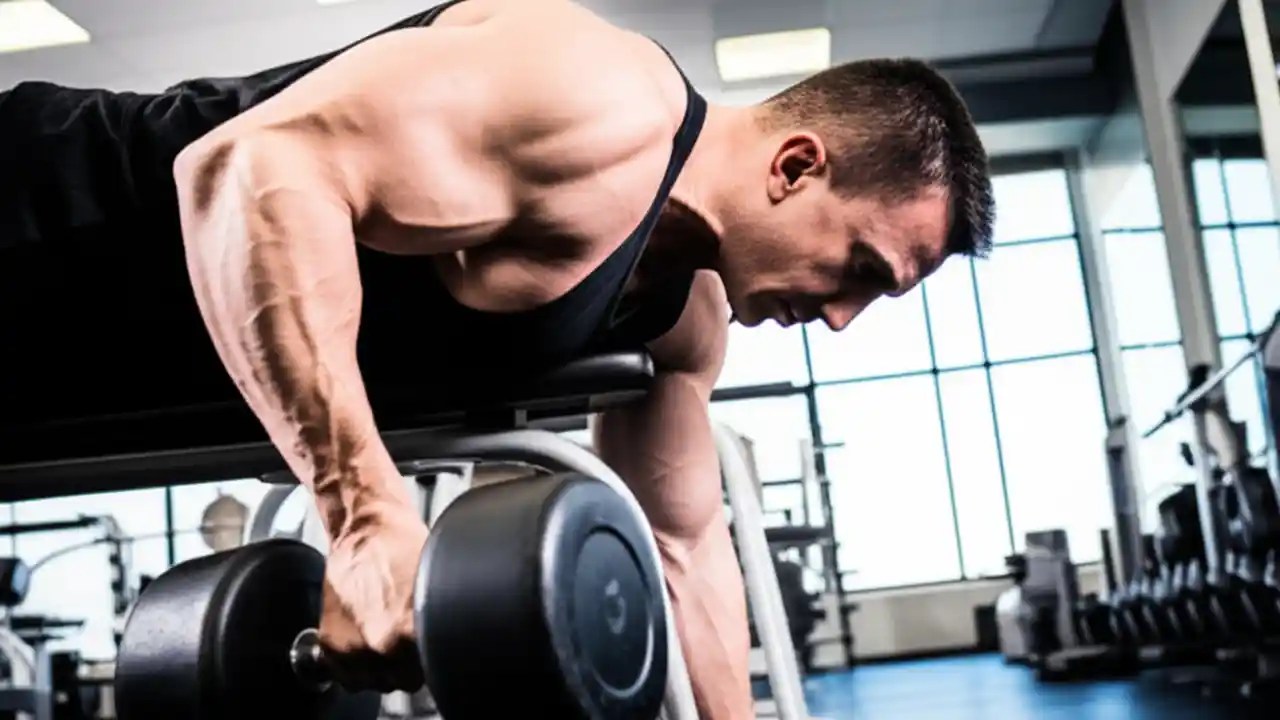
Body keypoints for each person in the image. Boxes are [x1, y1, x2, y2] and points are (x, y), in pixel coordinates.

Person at [0, 0, 994, 716]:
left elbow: (684, 551)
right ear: (792, 167)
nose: (840, 320)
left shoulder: (683, 316)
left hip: (82, 386)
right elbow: (246, 167)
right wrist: (362, 519)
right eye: (859, 267)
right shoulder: (596, 97)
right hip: (37, 223)